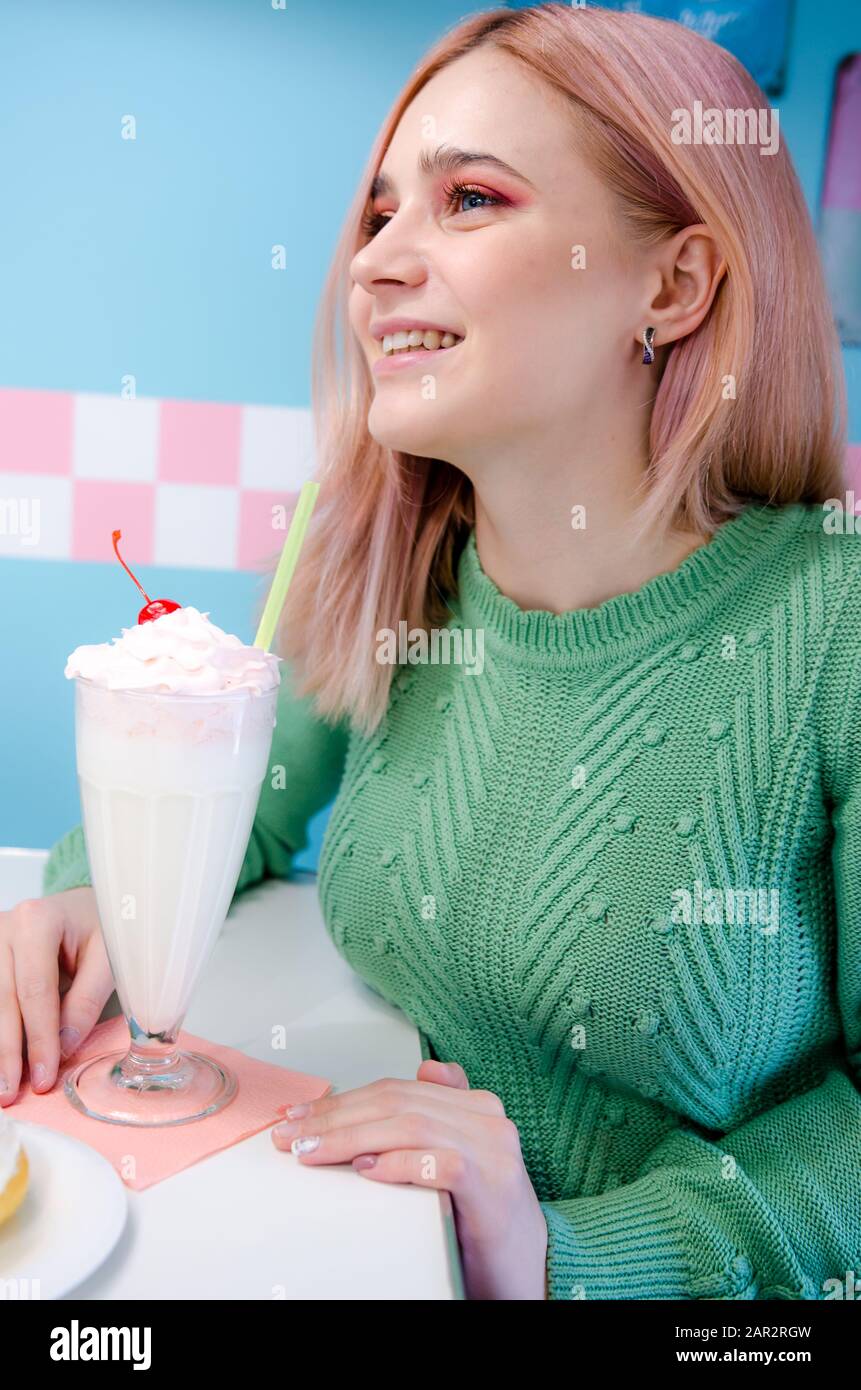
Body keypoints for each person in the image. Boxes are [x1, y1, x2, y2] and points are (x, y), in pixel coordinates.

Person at [3, 3, 859, 1301]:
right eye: (376, 214)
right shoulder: (378, 560)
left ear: (671, 284)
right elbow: (238, 792)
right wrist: (93, 900)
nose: (373, 264)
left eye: (469, 198)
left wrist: (568, 1252)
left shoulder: (832, 631)